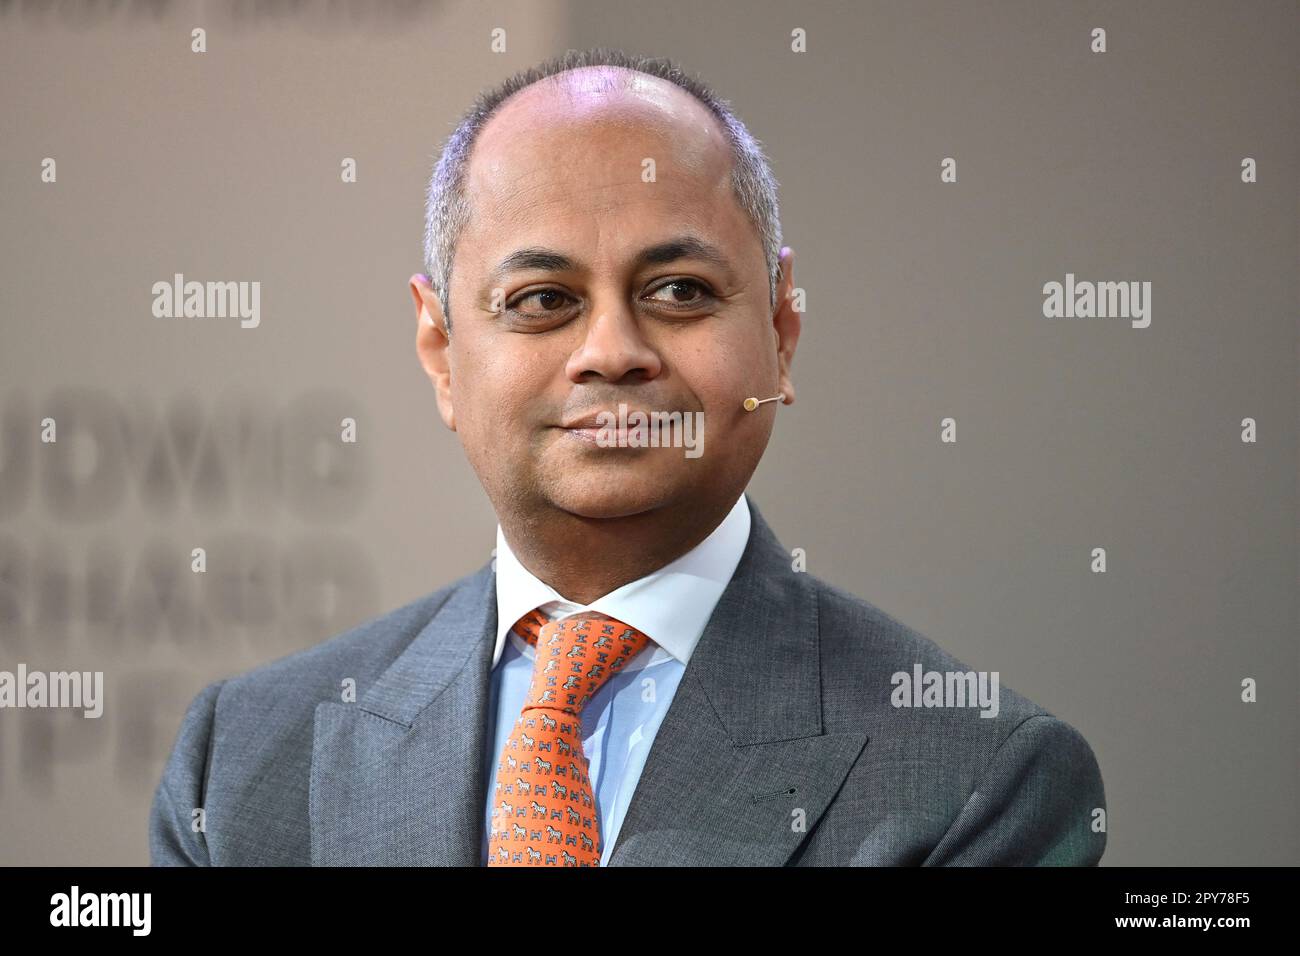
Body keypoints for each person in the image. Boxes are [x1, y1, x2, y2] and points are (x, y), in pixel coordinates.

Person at [150, 47, 1106, 867]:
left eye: (681, 291)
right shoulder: (240, 765)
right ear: (441, 351)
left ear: (780, 331)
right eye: (542, 301)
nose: (612, 349)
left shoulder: (978, 782)